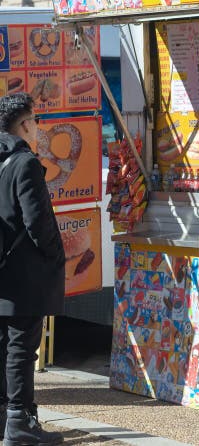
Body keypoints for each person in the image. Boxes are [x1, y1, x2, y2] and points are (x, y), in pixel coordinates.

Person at [0, 93, 65, 445]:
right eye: (36, 122)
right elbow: (37, 221)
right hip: (25, 276)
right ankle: (20, 423)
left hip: (3, 276)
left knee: (4, 349)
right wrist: (55, 255)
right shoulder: (24, 163)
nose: (38, 129)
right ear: (25, 125)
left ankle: (7, 420)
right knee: (22, 350)